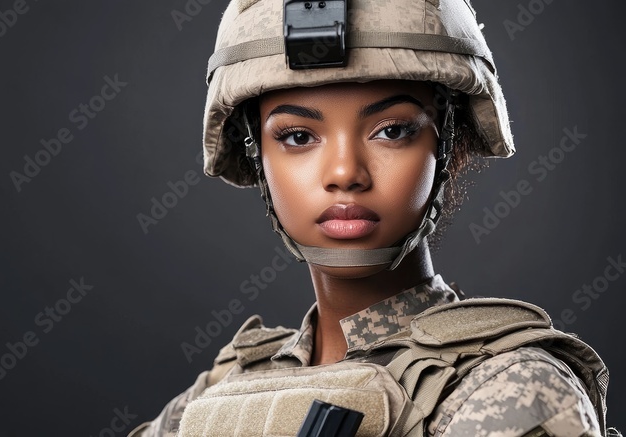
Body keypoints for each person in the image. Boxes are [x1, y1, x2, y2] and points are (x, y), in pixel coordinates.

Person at [130, 0, 616, 436]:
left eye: (392, 130)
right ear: (257, 154)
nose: (345, 173)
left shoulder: (508, 389)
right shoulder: (219, 393)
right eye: (298, 136)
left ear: (449, 147)